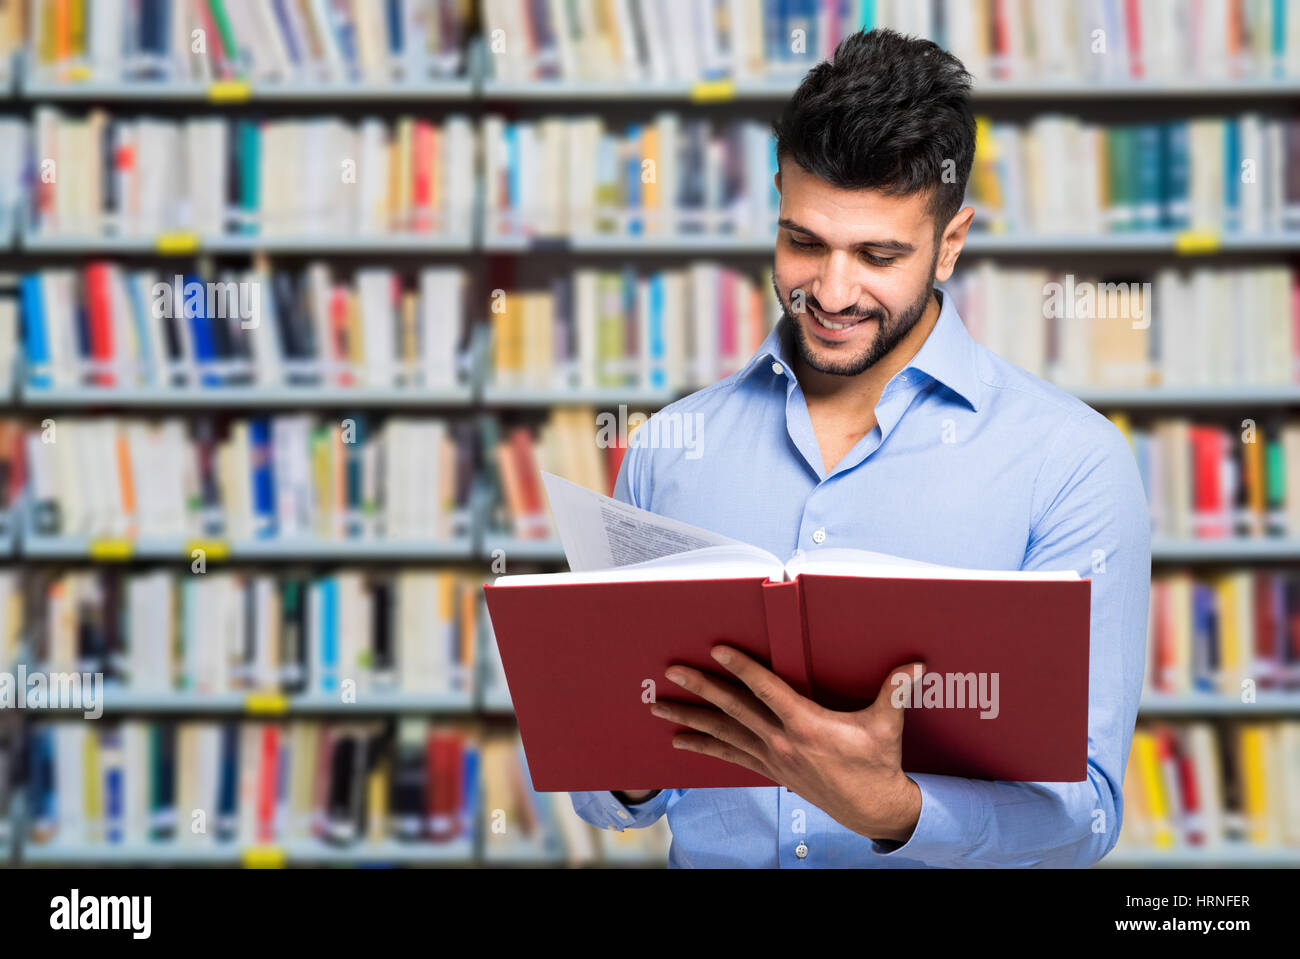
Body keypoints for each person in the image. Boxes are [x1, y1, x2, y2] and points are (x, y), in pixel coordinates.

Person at [567, 27, 1150, 868]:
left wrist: (895, 807)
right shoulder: (670, 448)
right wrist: (621, 764)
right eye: (804, 242)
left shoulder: (1072, 464)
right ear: (776, 203)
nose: (832, 292)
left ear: (950, 243)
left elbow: (1084, 817)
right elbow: (611, 785)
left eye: (878, 254)